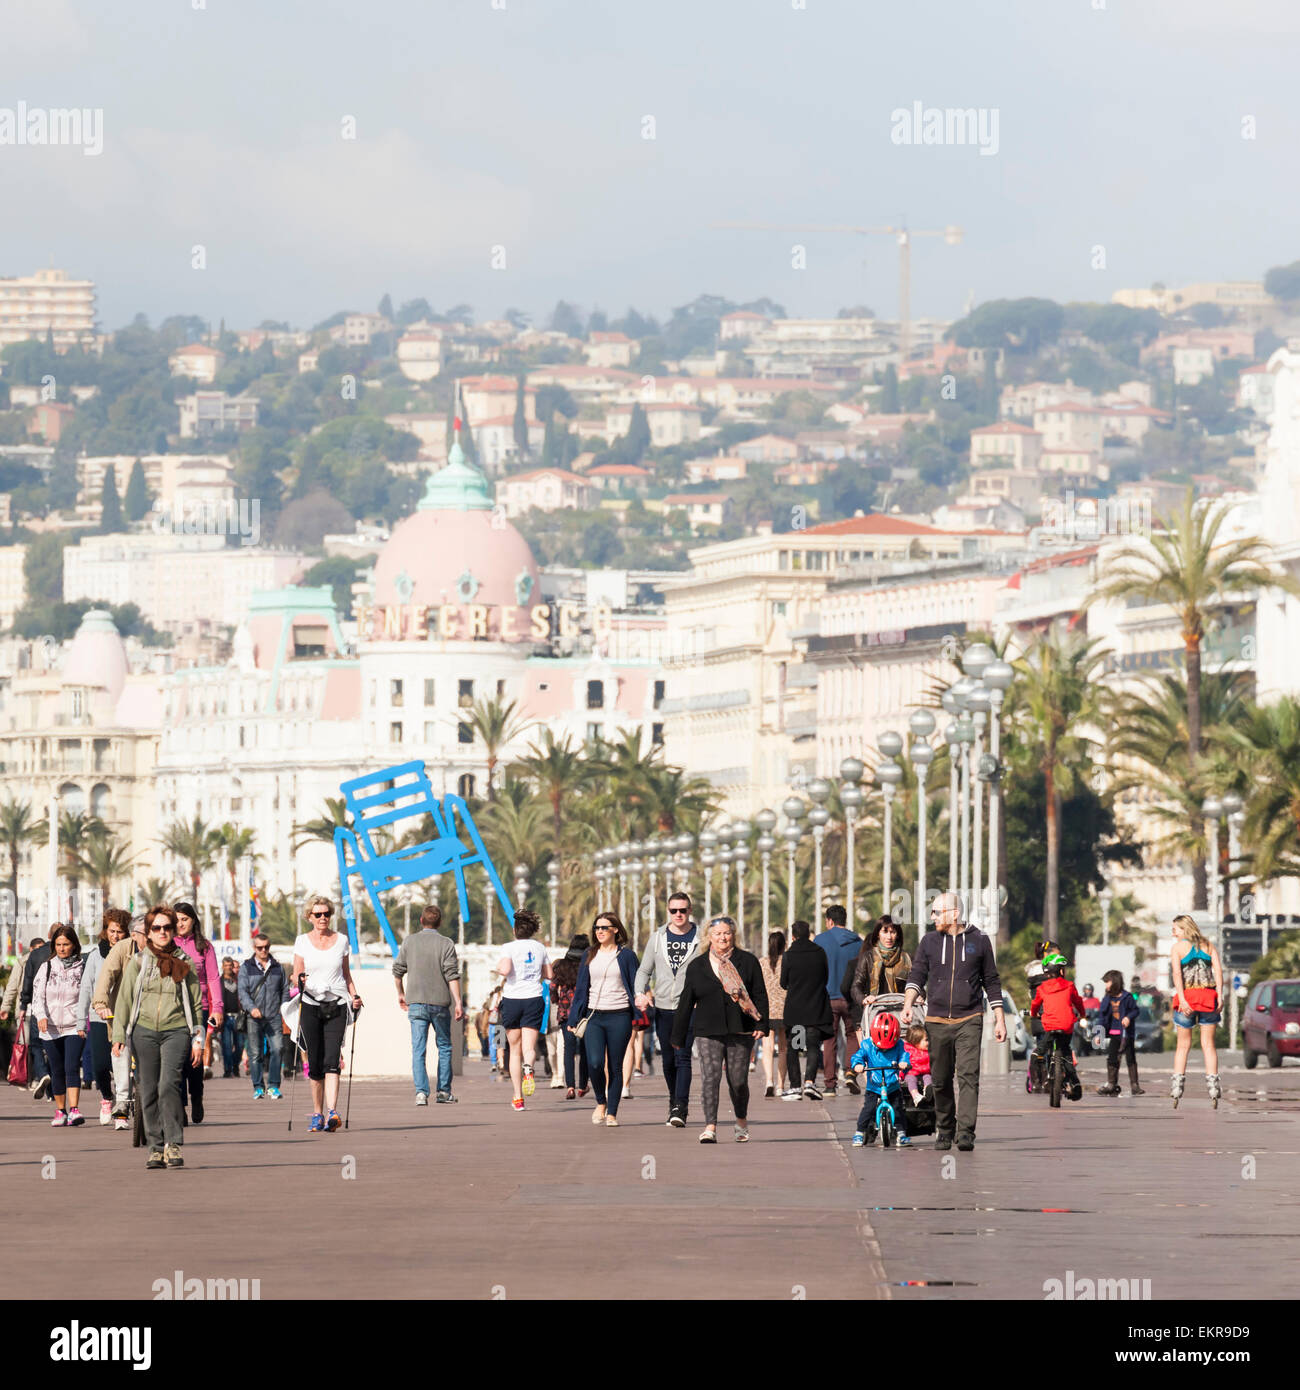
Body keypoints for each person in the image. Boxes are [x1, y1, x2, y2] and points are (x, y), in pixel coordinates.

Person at [902, 891, 1005, 1152]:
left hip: (970, 1018)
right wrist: (907, 1004)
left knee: (969, 1075)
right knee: (940, 1078)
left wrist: (1000, 1019)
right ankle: (945, 1129)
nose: (933, 916)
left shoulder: (980, 941)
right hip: (936, 1020)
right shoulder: (929, 942)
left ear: (955, 914)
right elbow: (917, 974)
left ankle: (966, 1131)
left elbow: (991, 982)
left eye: (938, 912)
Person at [113, 906, 204, 1169]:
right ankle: (154, 1146)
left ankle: (172, 1143)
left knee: (169, 1085)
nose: (162, 932)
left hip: (176, 1030)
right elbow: (125, 1000)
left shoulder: (184, 962)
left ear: (174, 930)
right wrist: (119, 1034)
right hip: (143, 1032)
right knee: (148, 1088)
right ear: (149, 932)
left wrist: (198, 1040)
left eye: (167, 927)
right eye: (156, 928)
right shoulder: (139, 962)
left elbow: (196, 1006)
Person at [671, 916, 767, 1143]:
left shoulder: (748, 961)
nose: (722, 937)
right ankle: (710, 1126)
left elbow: (760, 994)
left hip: (741, 1029)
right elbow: (686, 1000)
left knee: (738, 1080)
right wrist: (678, 1035)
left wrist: (762, 1025)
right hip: (707, 1030)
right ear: (709, 937)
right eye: (717, 934)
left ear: (734, 935)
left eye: (727, 933)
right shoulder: (697, 966)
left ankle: (741, 1121)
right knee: (710, 1078)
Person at [291, 895, 363, 1132]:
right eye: (318, 914)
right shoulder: (302, 941)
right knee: (315, 1062)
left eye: (326, 914)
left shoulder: (341, 940)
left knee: (332, 1060)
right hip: (311, 1004)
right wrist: (300, 981)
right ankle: (317, 1113)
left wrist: (354, 995)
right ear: (309, 916)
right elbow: (296, 974)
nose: (323, 918)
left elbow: (346, 974)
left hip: (337, 1004)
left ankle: (333, 1112)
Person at [634, 890, 701, 1125]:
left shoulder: (701, 938)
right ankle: (673, 1099)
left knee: (683, 1056)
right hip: (662, 1006)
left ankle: (681, 1107)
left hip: (690, 1007)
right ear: (669, 912)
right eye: (674, 911)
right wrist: (640, 993)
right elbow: (644, 970)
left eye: (683, 910)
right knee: (668, 1060)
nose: (679, 914)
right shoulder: (658, 937)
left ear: (690, 911)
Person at [568, 912, 638, 1125]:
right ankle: (600, 1101)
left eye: (604, 927)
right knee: (595, 1062)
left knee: (615, 1066)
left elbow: (636, 984)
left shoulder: (626, 956)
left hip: (620, 1015)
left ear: (615, 930)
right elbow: (581, 988)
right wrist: (573, 1018)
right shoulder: (589, 954)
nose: (599, 931)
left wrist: (642, 1003)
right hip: (594, 1016)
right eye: (597, 927)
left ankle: (612, 1113)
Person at [394, 904, 463, 1106]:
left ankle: (421, 1093)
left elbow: (398, 970)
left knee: (418, 1049)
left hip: (415, 1002)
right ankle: (443, 1092)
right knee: (444, 1047)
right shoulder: (446, 943)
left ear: (421, 921)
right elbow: (452, 975)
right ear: (439, 923)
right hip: (440, 1003)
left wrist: (400, 993)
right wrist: (458, 1002)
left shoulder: (409, 941)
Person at [494, 908, 552, 1112]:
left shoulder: (507, 947)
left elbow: (506, 970)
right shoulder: (540, 948)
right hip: (534, 999)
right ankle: (530, 1067)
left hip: (512, 999)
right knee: (529, 1047)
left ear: (514, 929)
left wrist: (498, 969)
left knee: (514, 1051)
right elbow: (550, 974)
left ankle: (518, 1098)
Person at [77, 909, 130, 1124]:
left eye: (120, 932)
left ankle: (123, 1106)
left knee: (123, 1064)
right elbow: (86, 988)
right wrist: (81, 1020)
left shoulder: (133, 953)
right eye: (112, 931)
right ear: (105, 931)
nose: (116, 936)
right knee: (100, 1065)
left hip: (125, 1016)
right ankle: (107, 1097)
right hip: (100, 1017)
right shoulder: (95, 955)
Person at [92, 916, 146, 1127]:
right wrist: (100, 1004)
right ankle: (122, 1102)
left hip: (153, 1014)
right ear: (134, 934)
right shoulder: (122, 949)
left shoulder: (164, 949)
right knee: (120, 1050)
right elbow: (106, 977)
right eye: (145, 932)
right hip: (123, 1010)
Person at [171, 902, 222, 1124]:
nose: (180, 924)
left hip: (199, 1010)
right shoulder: (167, 944)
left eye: (185, 919)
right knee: (178, 1060)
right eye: (177, 919)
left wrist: (217, 1008)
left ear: (193, 921)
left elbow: (213, 978)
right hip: (173, 1011)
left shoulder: (205, 947)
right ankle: (180, 1105)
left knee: (196, 1058)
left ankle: (197, 1096)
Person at [33, 923, 88, 1127]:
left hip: (75, 1025)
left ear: (74, 945)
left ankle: (74, 1110)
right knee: (56, 1070)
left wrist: (83, 1020)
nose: (62, 948)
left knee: (71, 1067)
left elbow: (87, 997)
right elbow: (38, 996)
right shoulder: (46, 968)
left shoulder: (82, 968)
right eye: (58, 944)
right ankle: (60, 1111)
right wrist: (41, 1016)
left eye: (66, 944)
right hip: (51, 1028)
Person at [1169, 913, 1223, 1107]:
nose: (1173, 932)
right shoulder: (1208, 945)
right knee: (1208, 1044)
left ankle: (1177, 1087)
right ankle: (1214, 1087)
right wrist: (1221, 995)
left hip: (1188, 999)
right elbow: (1218, 970)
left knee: (1183, 1046)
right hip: (1209, 998)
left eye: (1175, 929)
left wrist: (1182, 999)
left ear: (1184, 929)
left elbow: (1177, 974)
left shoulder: (1177, 948)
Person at [780, 919, 833, 1099]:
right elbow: (826, 977)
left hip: (796, 1011)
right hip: (816, 1008)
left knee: (794, 1047)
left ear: (793, 936)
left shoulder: (789, 955)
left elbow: (783, 983)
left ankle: (795, 1086)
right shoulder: (819, 952)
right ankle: (809, 1082)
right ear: (809, 933)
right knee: (812, 1046)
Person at [814, 905, 862, 1097]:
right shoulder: (858, 942)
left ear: (830, 921)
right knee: (852, 1036)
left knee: (829, 1040)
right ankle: (850, 1072)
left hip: (828, 998)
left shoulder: (820, 940)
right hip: (851, 997)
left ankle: (830, 1084)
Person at [850, 1012, 911, 1147]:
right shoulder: (867, 1045)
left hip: (892, 1084)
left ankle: (901, 1134)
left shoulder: (899, 1044)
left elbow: (904, 1055)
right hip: (874, 1085)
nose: (884, 1050)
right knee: (868, 1109)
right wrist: (858, 1065)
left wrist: (904, 1063)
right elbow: (857, 1056)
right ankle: (859, 1133)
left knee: (898, 1109)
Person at [1029, 952, 1085, 1101]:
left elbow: (1035, 1004)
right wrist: (1083, 1015)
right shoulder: (1069, 985)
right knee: (1066, 1054)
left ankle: (1038, 1073)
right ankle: (1076, 1084)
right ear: (1061, 971)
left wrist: (1034, 1014)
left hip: (1049, 1026)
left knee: (1040, 1050)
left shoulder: (1041, 988)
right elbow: (1078, 1002)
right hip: (1067, 1025)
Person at [238, 934, 287, 1098]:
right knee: (255, 1053)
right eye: (260, 947)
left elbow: (285, 990)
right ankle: (258, 1086)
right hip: (254, 1017)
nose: (263, 950)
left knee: (278, 1049)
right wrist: (251, 1008)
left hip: (274, 1016)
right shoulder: (246, 967)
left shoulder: (277, 967)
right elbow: (242, 992)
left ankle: (273, 1085)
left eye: (266, 947)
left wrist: (283, 1008)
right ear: (254, 948)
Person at [17, 931, 55, 1100]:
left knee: (36, 1044)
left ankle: (42, 1073)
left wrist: (24, 1004)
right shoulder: (69, 952)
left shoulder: (35, 955)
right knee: (55, 1046)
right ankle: (52, 1090)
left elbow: (28, 980)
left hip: (38, 1006)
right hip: (60, 1008)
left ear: (49, 934)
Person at [551, 935, 589, 1099]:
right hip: (585, 1012)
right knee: (586, 1049)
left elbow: (553, 987)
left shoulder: (560, 965)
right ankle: (582, 1085)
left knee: (569, 1049)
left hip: (566, 1012)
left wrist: (556, 1001)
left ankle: (570, 1086)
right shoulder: (588, 964)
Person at [1095, 969, 1142, 1096]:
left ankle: (1135, 1085)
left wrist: (1128, 1017)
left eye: (1107, 982)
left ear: (1115, 982)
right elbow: (1102, 1017)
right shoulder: (1107, 999)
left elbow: (1135, 1011)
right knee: (1112, 1058)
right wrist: (1099, 1034)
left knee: (1130, 1058)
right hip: (1114, 1033)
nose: (1106, 985)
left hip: (1127, 1034)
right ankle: (1111, 1083)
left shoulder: (1127, 997)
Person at [758, 929, 788, 1099]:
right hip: (785, 1009)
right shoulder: (788, 962)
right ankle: (781, 1086)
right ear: (784, 945)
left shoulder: (762, 962)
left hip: (766, 1010)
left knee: (767, 1047)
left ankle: (769, 1081)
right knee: (783, 1048)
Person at [219, 958, 245, 1079]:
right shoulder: (219, 981)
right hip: (225, 1018)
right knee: (227, 1046)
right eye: (226, 965)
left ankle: (235, 1065)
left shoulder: (239, 980)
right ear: (223, 966)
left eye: (230, 965)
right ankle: (228, 1070)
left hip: (239, 1017)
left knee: (240, 1046)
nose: (229, 967)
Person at [903, 1025, 931, 1104]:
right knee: (911, 1079)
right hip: (911, 1073)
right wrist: (900, 1075)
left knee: (928, 1077)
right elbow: (902, 1063)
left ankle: (928, 1091)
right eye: (926, 1040)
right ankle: (915, 1095)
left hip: (925, 1073)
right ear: (916, 1042)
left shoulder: (928, 1052)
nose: (928, 1042)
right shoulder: (908, 1051)